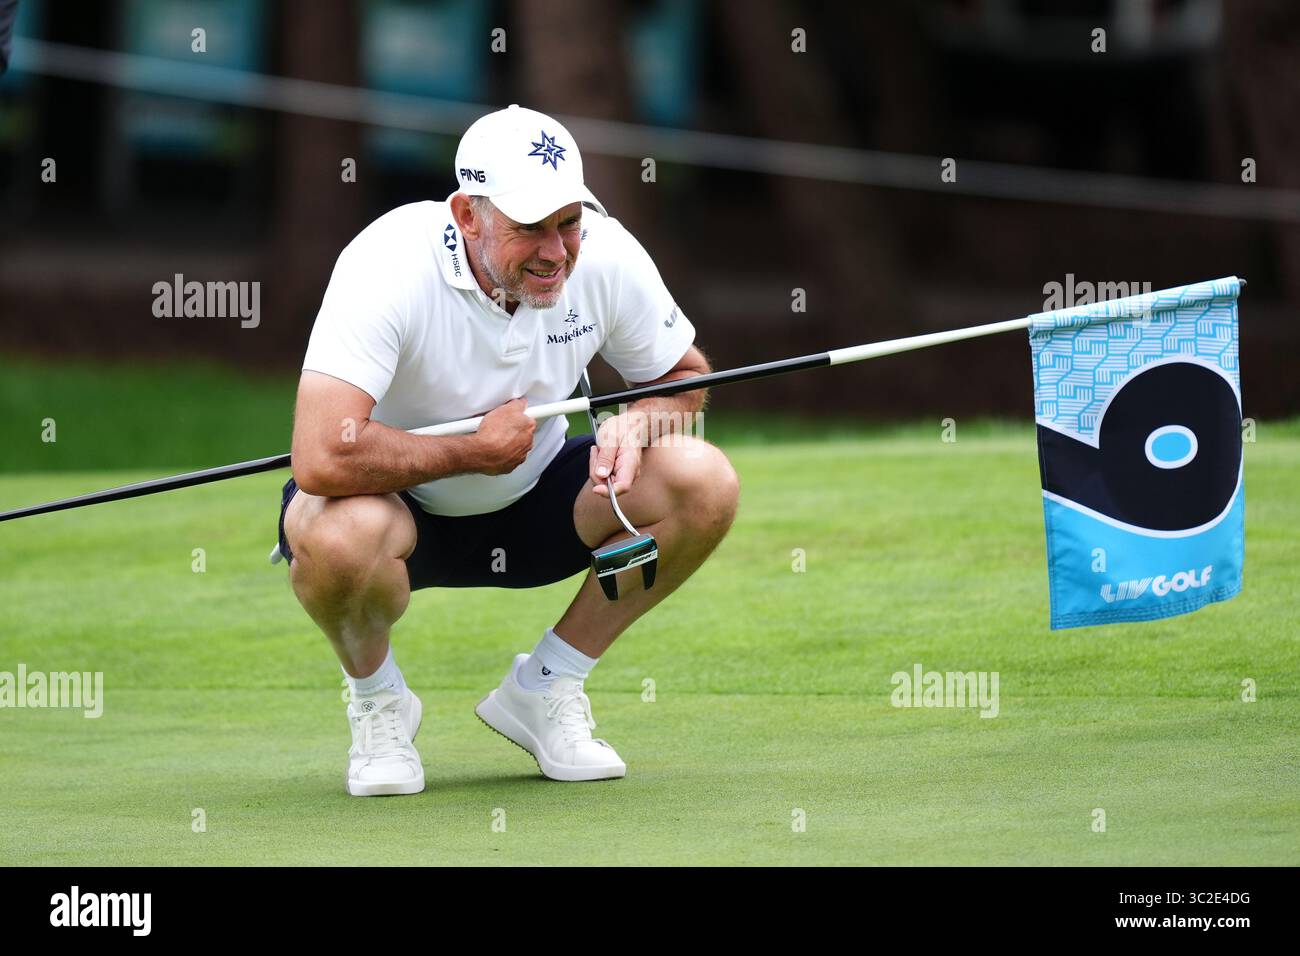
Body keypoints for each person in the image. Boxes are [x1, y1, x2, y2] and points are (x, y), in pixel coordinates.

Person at [279, 105, 740, 795]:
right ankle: (378, 702)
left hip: (539, 498)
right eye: (530, 228)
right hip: (398, 512)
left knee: (702, 479)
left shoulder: (605, 255)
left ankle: (546, 687)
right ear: (468, 215)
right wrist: (469, 452)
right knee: (332, 532)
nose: (557, 251)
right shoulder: (384, 264)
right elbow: (320, 455)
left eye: (568, 223)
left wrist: (638, 423)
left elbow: (685, 379)